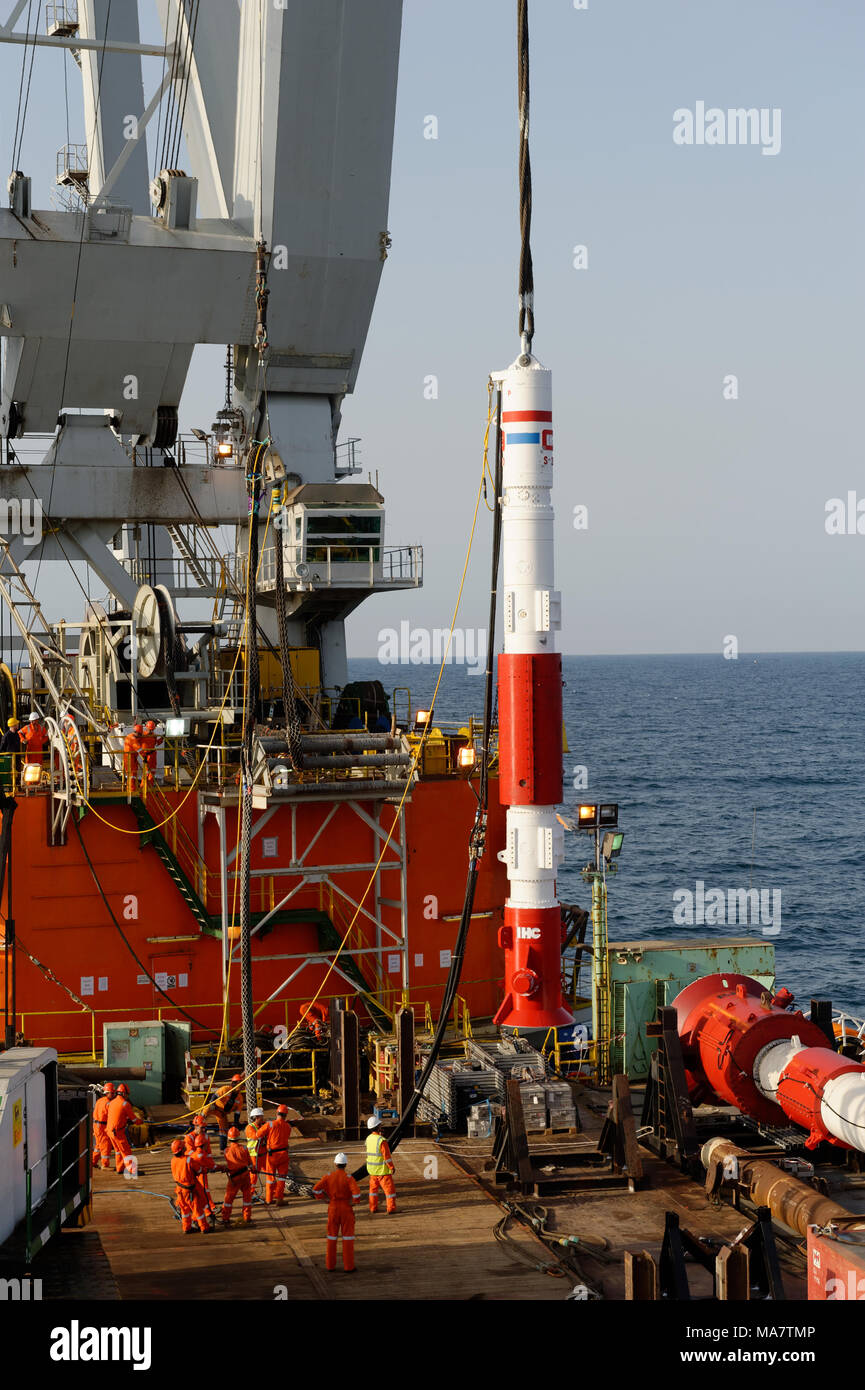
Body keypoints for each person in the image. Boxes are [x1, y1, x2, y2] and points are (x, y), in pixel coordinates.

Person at [312, 1152, 361, 1272]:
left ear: (335, 1164)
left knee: (331, 1237)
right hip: (346, 1209)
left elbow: (315, 1189)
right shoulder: (349, 1178)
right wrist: (354, 1202)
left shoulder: (328, 1176)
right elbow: (357, 1193)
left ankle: (330, 1266)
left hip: (333, 1208)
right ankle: (349, 1267)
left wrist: (323, 1198)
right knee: (348, 1238)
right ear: (345, 1164)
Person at [219, 1126, 254, 1226]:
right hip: (245, 1175)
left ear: (229, 1138)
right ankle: (247, 1217)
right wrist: (252, 1168)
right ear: (238, 1137)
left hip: (234, 1178)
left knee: (229, 1198)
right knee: (247, 1196)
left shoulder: (226, 1151)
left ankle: (225, 1218)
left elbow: (230, 1163)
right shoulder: (244, 1148)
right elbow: (250, 1163)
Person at [170, 1137, 204, 1235]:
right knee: (197, 1209)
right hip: (189, 1190)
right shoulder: (188, 1160)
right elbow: (199, 1170)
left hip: (180, 1189)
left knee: (184, 1210)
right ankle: (204, 1227)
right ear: (181, 1149)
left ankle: (187, 1228)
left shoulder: (173, 1161)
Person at [205, 1073, 244, 1151]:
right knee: (206, 1109)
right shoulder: (225, 1089)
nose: (241, 1085)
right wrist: (211, 1103)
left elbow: (237, 1113)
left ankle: (222, 1148)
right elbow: (215, 1096)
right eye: (240, 1083)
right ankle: (199, 1122)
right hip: (214, 1107)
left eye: (242, 1083)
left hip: (222, 1113)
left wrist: (236, 1123)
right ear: (235, 1083)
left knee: (224, 1129)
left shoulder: (240, 1098)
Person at [365, 1116, 396, 1214]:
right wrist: (391, 1167)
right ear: (378, 1127)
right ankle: (391, 1209)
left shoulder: (368, 1139)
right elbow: (387, 1156)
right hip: (382, 1171)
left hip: (372, 1170)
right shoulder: (381, 1140)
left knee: (373, 1191)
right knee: (389, 1192)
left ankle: (373, 1208)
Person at [264, 1103, 293, 1206]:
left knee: (270, 1178)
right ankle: (279, 1199)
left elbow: (258, 1134)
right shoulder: (288, 1127)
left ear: (277, 1113)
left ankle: (268, 1199)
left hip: (272, 1155)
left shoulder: (270, 1124)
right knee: (281, 1178)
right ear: (285, 1115)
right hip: (283, 1154)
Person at [106, 1083, 136, 1177]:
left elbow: (115, 1115)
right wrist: (140, 1122)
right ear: (124, 1094)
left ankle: (120, 1168)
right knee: (126, 1151)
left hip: (110, 1132)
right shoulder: (125, 1104)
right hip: (118, 1132)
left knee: (118, 1150)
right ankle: (132, 1171)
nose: (127, 1096)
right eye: (127, 1094)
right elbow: (134, 1119)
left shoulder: (111, 1102)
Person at [189, 1132, 217, 1229]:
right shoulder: (202, 1155)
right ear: (204, 1144)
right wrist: (223, 1168)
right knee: (202, 1200)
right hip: (198, 1182)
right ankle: (200, 1221)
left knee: (198, 1201)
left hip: (190, 1182)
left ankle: (203, 1218)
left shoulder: (193, 1155)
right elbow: (212, 1166)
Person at [91, 1082, 115, 1169]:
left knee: (98, 1145)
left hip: (96, 1125)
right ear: (107, 1093)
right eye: (111, 1093)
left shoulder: (100, 1100)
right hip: (102, 1126)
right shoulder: (108, 1103)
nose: (113, 1094)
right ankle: (105, 1165)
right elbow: (111, 1116)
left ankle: (93, 1162)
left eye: (113, 1093)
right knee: (105, 1145)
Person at [123, 724, 145, 790]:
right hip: (129, 758)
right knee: (131, 774)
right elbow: (138, 749)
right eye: (140, 734)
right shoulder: (132, 739)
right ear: (137, 732)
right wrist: (145, 756)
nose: (140, 736)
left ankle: (132, 787)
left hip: (132, 757)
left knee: (133, 773)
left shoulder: (132, 736)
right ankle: (131, 789)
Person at [0, 717, 19, 792]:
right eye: (16, 724)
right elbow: (2, 748)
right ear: (13, 725)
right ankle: (10, 788)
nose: (18, 725)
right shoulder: (7, 735)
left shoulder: (16, 734)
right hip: (9, 759)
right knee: (10, 774)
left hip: (17, 757)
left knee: (17, 772)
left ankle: (17, 786)